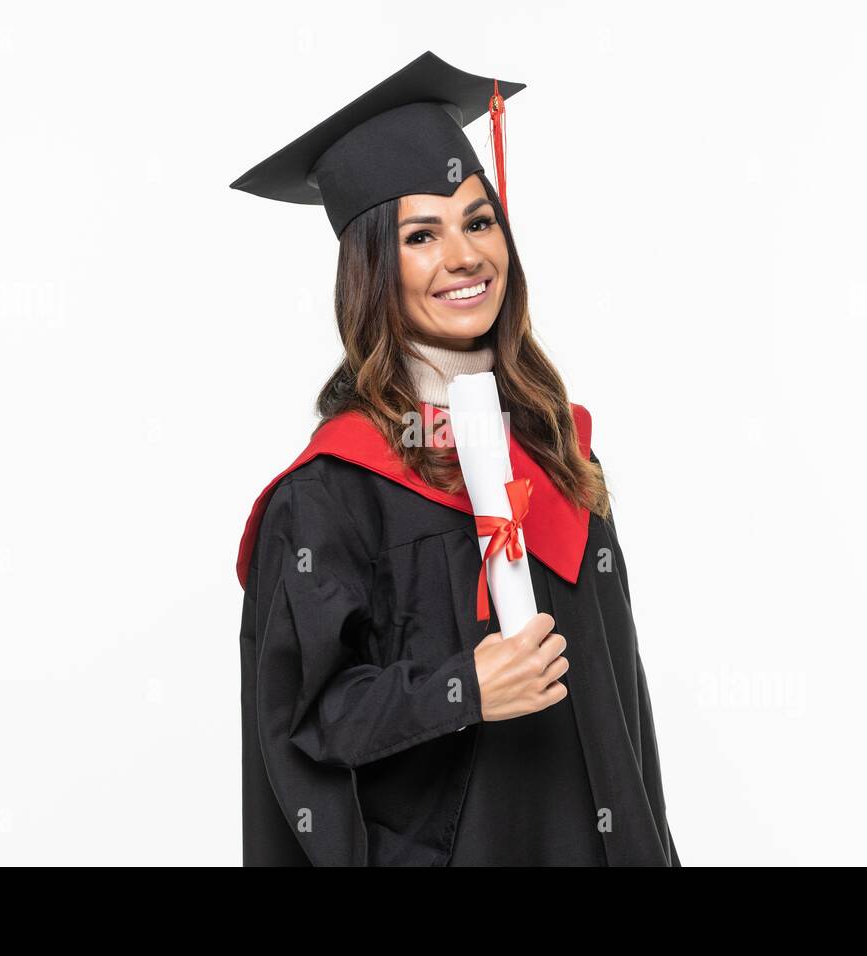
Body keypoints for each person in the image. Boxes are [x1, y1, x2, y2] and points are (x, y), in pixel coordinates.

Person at [230, 50, 680, 866]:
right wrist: (460, 690)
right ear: (372, 264)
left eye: (478, 221)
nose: (466, 256)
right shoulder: (334, 492)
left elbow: (624, 708)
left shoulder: (556, 446)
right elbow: (302, 720)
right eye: (421, 235)